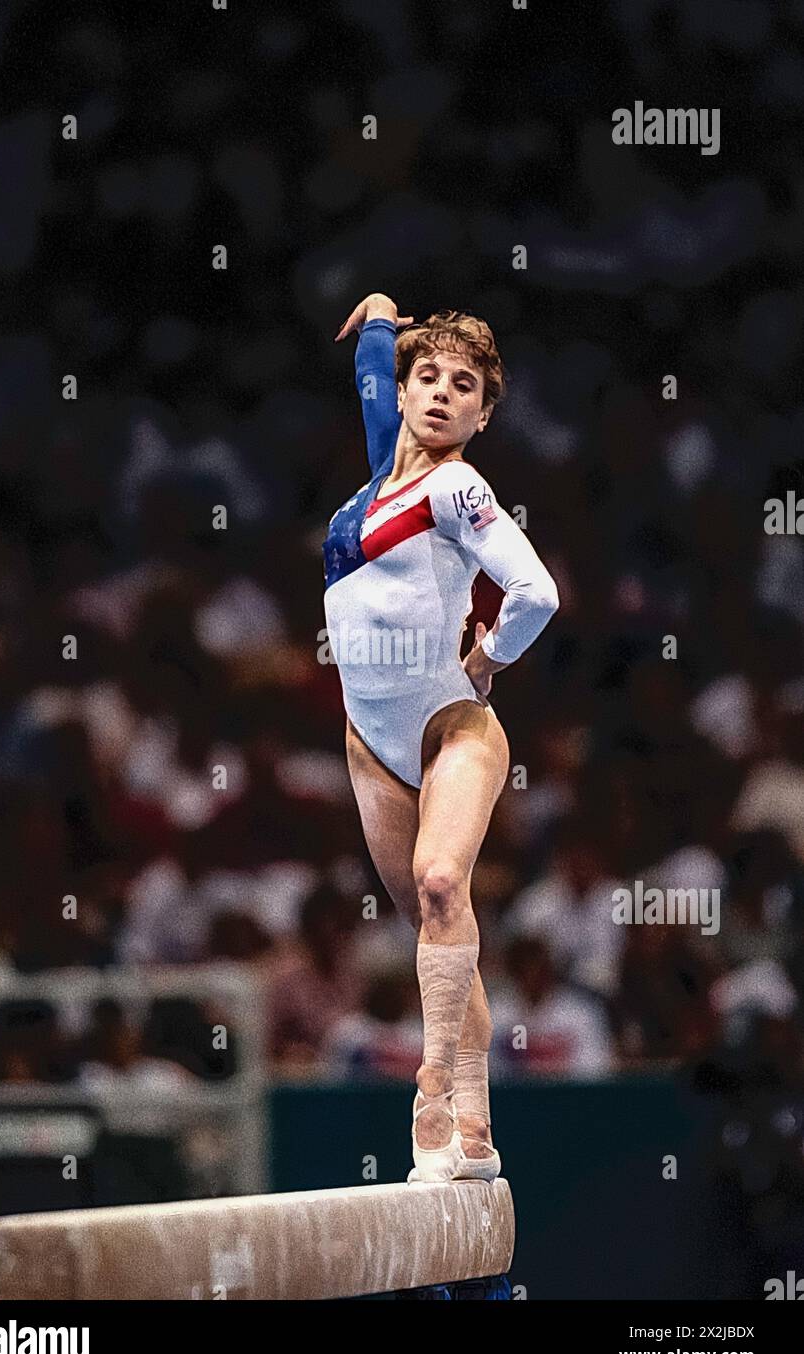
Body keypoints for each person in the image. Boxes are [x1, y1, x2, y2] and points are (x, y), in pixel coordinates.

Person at [325, 293, 559, 1180]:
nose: (439, 394)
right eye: (426, 377)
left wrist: (490, 656)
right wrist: (382, 316)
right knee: (440, 931)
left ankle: (431, 1083)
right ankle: (475, 1136)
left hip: (453, 725)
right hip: (369, 746)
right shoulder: (381, 468)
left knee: (437, 881)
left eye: (463, 386)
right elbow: (367, 381)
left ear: (482, 414)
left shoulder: (458, 487)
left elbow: (536, 592)